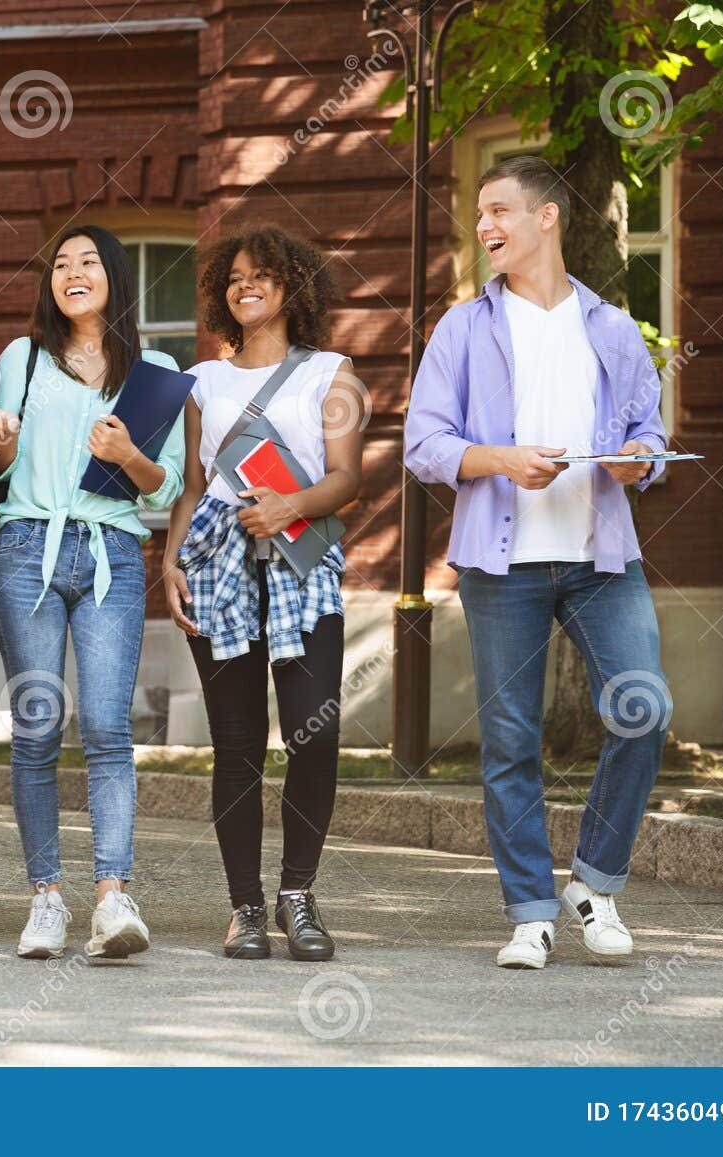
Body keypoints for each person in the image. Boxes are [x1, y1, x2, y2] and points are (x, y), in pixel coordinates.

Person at [403, 154, 673, 970]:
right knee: (511, 740)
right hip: (503, 562)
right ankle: (529, 911)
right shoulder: (463, 327)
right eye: (480, 215)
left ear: (547, 216)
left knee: (644, 709)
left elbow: (650, 436)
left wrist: (638, 461)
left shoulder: (612, 328)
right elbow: (424, 444)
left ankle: (593, 882)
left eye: (500, 211)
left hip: (601, 560)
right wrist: (501, 459)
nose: (485, 227)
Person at [0, 225, 185, 960]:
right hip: (28, 548)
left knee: (105, 727)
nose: (72, 272)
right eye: (60, 264)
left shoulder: (154, 368)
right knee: (34, 726)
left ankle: (112, 897)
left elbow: (171, 480)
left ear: (114, 276)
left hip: (113, 552)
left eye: (88, 261)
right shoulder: (21, 359)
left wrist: (129, 454)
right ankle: (46, 898)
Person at [162, 226, 363, 962]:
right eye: (234, 278)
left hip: (301, 559)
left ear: (293, 285)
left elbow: (348, 476)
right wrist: (171, 559)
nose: (245, 286)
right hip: (216, 562)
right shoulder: (204, 381)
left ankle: (298, 895)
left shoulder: (331, 373)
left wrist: (290, 506)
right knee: (237, 744)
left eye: (262, 275)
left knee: (316, 729)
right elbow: (191, 484)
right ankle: (245, 908)